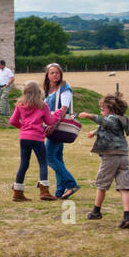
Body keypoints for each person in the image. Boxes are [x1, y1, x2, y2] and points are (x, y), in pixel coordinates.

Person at [80, 93, 129, 229]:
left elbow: (107, 123)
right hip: (123, 156)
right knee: (124, 187)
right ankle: (127, 215)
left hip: (110, 156)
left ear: (110, 109)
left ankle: (96, 211)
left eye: (102, 109)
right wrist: (94, 132)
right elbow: (108, 127)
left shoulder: (111, 119)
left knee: (101, 184)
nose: (101, 111)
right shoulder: (121, 119)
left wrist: (90, 116)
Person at [9, 80, 64, 201]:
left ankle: (17, 192)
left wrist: (23, 127)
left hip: (24, 137)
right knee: (43, 163)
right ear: (39, 92)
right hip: (37, 137)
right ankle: (44, 191)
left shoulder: (20, 105)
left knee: (24, 164)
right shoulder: (42, 106)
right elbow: (50, 121)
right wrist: (59, 112)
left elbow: (12, 121)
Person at [43, 63, 78, 199]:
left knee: (49, 156)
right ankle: (60, 191)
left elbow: (64, 108)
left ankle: (71, 184)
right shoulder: (50, 89)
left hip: (57, 126)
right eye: (52, 73)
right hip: (52, 126)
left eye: (57, 72)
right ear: (47, 75)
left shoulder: (64, 88)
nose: (54, 75)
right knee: (57, 158)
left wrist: (54, 124)